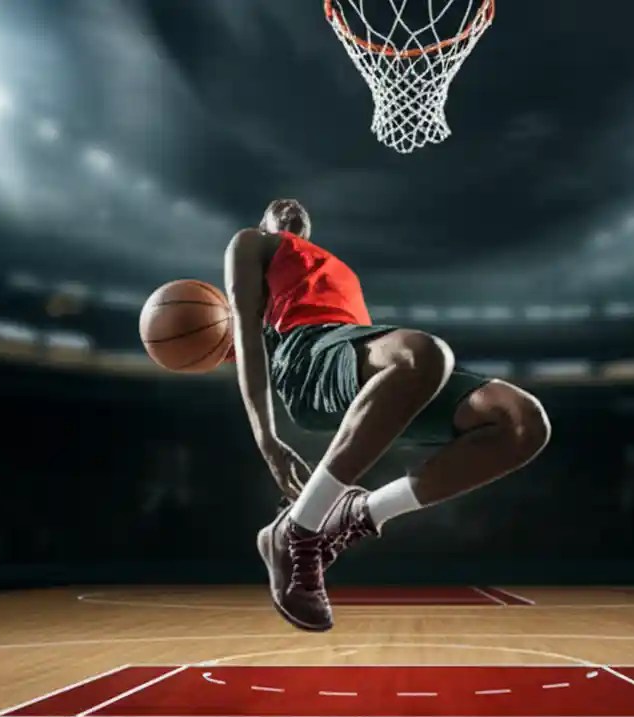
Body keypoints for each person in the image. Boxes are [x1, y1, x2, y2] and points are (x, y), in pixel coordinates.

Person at [224, 198, 550, 632]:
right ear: (263, 222)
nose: (290, 206)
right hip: (307, 356)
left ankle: (360, 515)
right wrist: (267, 438)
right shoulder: (252, 243)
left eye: (298, 208)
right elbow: (247, 335)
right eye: (277, 206)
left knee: (522, 422)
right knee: (425, 353)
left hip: (358, 358)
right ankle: (299, 530)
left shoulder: (334, 267)